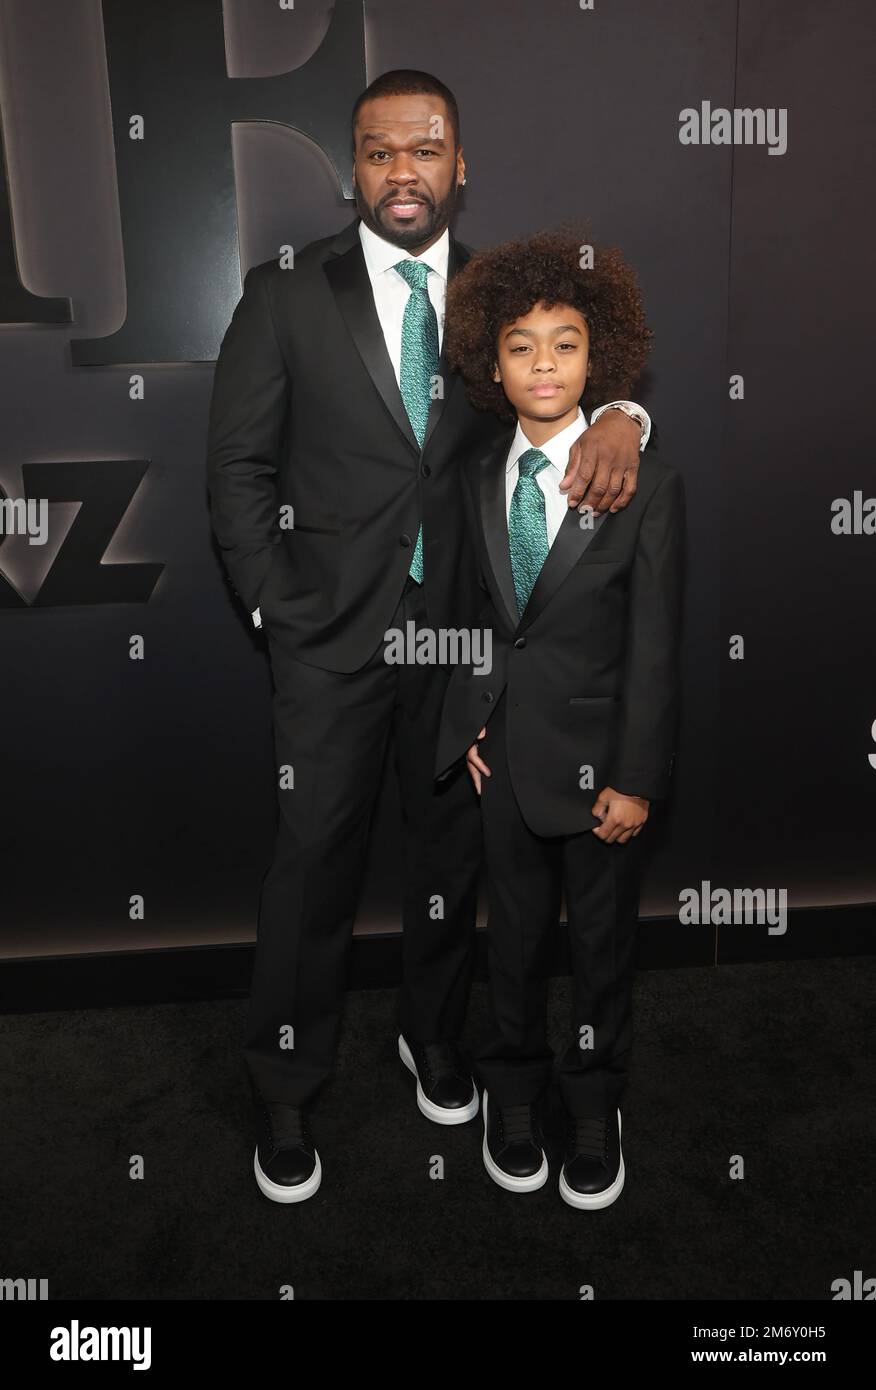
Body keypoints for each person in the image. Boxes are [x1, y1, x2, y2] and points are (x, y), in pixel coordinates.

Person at [206, 70, 657, 1204]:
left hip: (466, 641)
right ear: (353, 169)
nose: (401, 171)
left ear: (461, 165)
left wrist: (627, 414)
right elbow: (238, 465)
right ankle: (287, 1084)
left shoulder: (498, 298)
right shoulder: (284, 292)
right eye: (378, 152)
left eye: (424, 149)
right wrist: (271, 603)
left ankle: (432, 1036)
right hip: (329, 637)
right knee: (313, 860)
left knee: (454, 860)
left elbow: (569, 384)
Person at [436, 229, 685, 1208]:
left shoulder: (643, 481)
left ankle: (593, 1102)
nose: (545, 363)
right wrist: (464, 718)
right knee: (511, 942)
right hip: (502, 760)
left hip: (601, 772)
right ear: (491, 365)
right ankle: (510, 1091)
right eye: (522, 346)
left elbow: (655, 645)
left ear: (599, 356)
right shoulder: (470, 475)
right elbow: (462, 612)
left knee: (601, 948)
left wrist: (636, 778)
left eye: (566, 344)